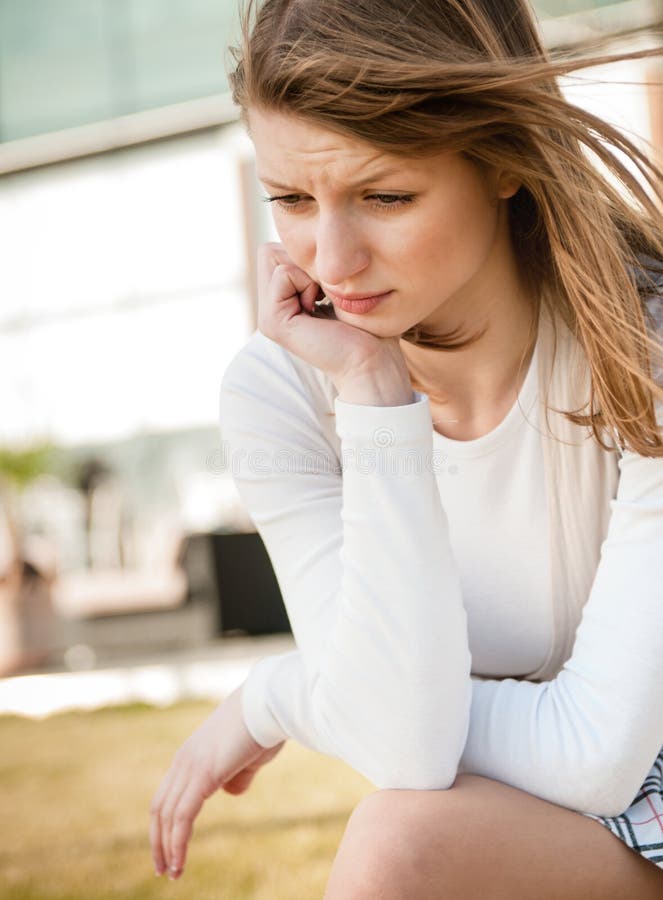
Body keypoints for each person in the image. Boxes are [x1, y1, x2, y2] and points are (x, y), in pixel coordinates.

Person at [149, 0, 663, 895]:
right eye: (291, 201)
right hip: (544, 811)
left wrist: (285, 694)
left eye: (385, 196)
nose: (334, 260)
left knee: (399, 845)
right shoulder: (281, 393)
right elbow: (403, 748)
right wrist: (376, 402)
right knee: (401, 836)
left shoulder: (643, 345)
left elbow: (594, 757)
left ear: (501, 162)